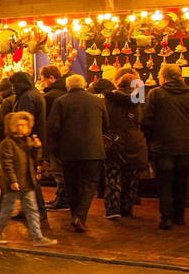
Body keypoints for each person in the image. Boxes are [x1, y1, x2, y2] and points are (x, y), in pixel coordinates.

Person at [46, 74, 107, 232]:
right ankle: (80, 216)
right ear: (84, 84)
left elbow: (53, 127)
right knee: (89, 184)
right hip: (93, 150)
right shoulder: (98, 101)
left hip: (69, 150)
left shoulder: (61, 101)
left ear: (68, 86)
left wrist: (54, 147)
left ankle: (76, 214)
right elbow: (106, 124)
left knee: (71, 183)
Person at [0, 111, 56, 246]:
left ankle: (37, 237)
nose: (21, 128)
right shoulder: (7, 144)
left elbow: (34, 159)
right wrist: (13, 180)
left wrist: (36, 147)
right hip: (14, 184)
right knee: (7, 209)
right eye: (19, 125)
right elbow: (7, 164)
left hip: (27, 182)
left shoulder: (27, 142)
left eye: (24, 125)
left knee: (32, 209)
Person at [142, 62, 189, 229]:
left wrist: (150, 139)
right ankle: (179, 216)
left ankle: (166, 218)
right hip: (185, 148)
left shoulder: (156, 94)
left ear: (163, 77)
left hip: (162, 146)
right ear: (180, 76)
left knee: (165, 183)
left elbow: (146, 120)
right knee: (181, 182)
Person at [99, 74, 148, 222]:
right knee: (131, 176)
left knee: (113, 176)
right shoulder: (139, 100)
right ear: (134, 86)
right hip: (134, 141)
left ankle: (112, 209)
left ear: (118, 84)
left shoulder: (107, 100)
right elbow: (144, 121)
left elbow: (103, 121)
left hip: (114, 140)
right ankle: (127, 207)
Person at [38, 65, 69, 210]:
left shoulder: (50, 97)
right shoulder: (66, 92)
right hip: (67, 138)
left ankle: (62, 200)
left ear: (51, 78)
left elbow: (48, 122)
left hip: (56, 139)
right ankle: (61, 197)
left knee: (58, 170)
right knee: (64, 170)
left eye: (43, 79)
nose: (42, 83)